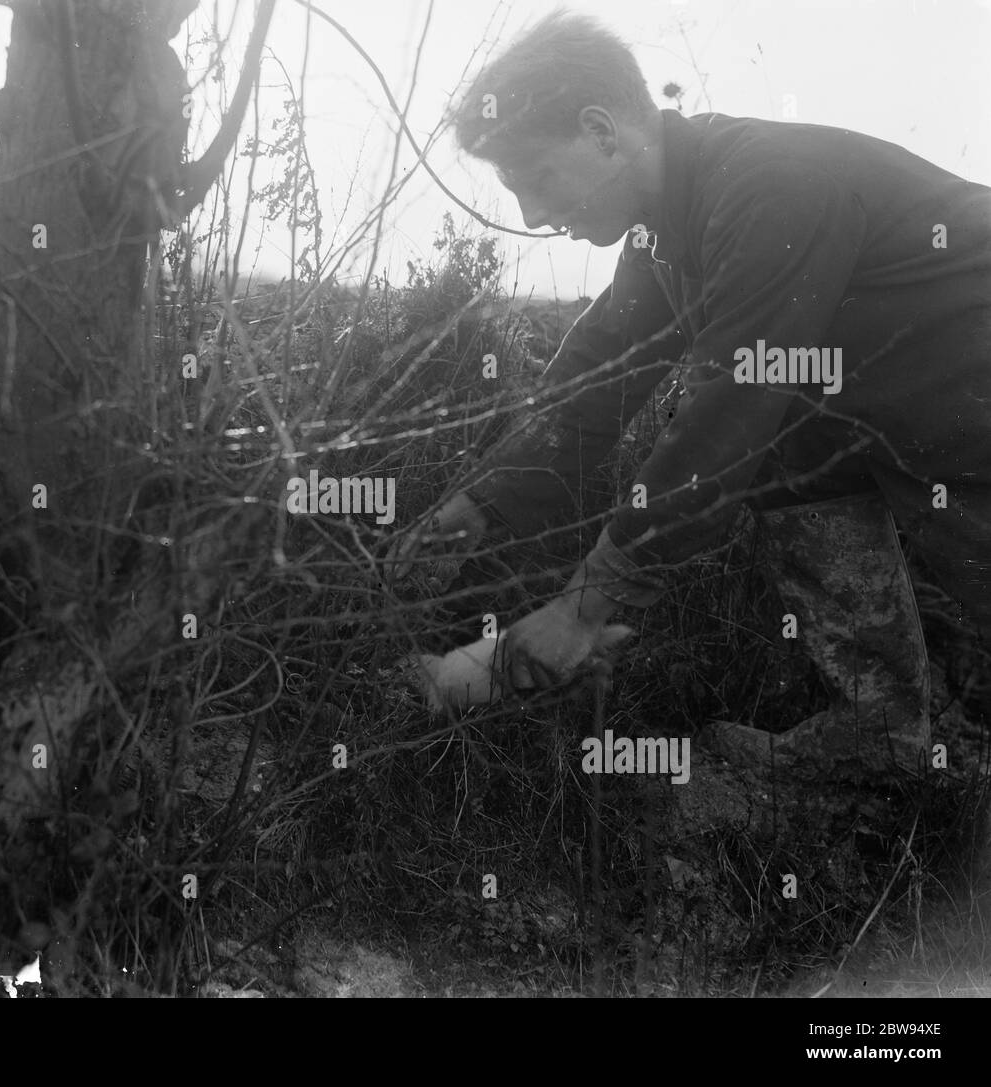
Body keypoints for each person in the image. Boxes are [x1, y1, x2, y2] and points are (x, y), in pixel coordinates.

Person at [398, 9, 991, 780]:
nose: (534, 215)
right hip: (924, 427)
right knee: (785, 447)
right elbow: (597, 382)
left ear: (601, 130)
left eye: (536, 179)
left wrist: (586, 608)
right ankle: (878, 729)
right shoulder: (667, 224)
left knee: (756, 425)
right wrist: (481, 503)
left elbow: (724, 410)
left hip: (970, 425)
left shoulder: (766, 186)